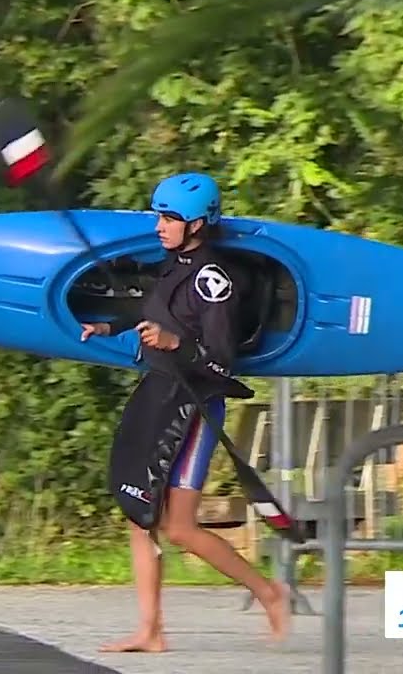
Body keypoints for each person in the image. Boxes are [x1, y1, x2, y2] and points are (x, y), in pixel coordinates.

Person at [79, 172, 290, 653]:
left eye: (170, 218)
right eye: (158, 215)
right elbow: (152, 311)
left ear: (197, 224)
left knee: (180, 527)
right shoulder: (173, 266)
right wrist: (109, 326)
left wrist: (178, 344)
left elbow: (220, 360)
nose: (159, 225)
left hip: (195, 405)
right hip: (161, 393)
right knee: (139, 513)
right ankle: (150, 630)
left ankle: (269, 592)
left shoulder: (214, 281)